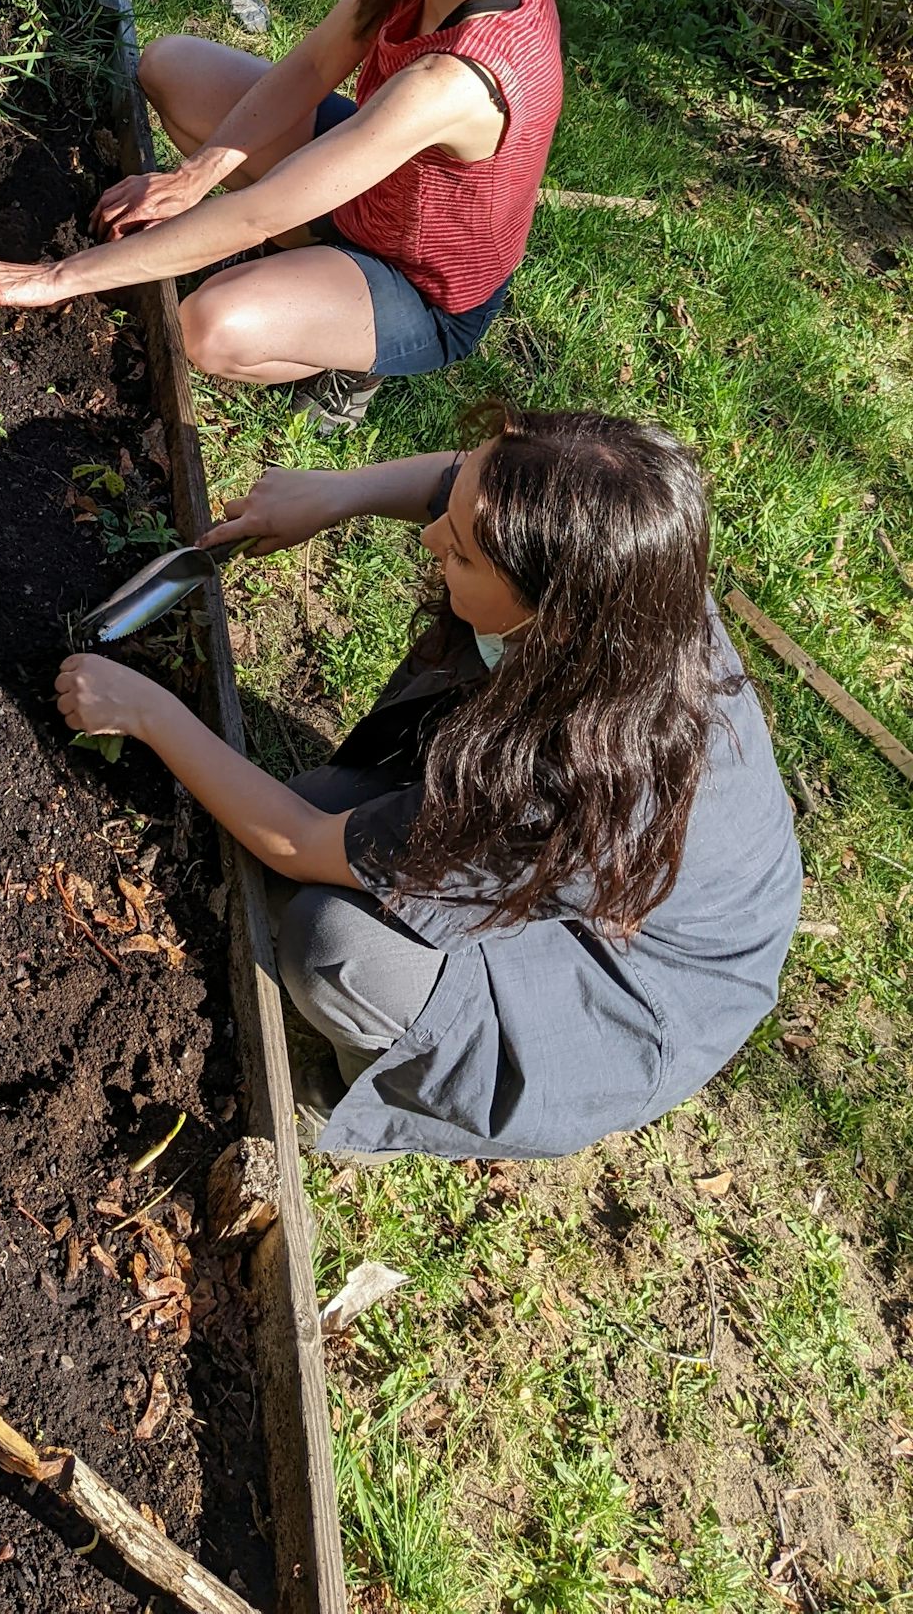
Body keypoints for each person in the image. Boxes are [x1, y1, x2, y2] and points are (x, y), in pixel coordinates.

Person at [55, 410, 801, 1161]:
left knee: (336, 947)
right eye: (453, 513)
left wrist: (152, 714)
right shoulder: (625, 569)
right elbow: (466, 486)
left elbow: (297, 843)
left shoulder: (570, 783)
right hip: (629, 873)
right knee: (318, 795)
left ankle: (369, 1086)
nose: (432, 538)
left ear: (555, 617)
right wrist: (334, 494)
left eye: (466, 556)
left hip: (635, 985)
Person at [0, 0, 562, 431]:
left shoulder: (453, 80)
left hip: (417, 280)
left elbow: (252, 215)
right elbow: (315, 63)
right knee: (174, 67)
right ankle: (302, 264)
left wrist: (56, 279)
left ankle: (349, 369)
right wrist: (197, 174)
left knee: (211, 328)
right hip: (370, 188)